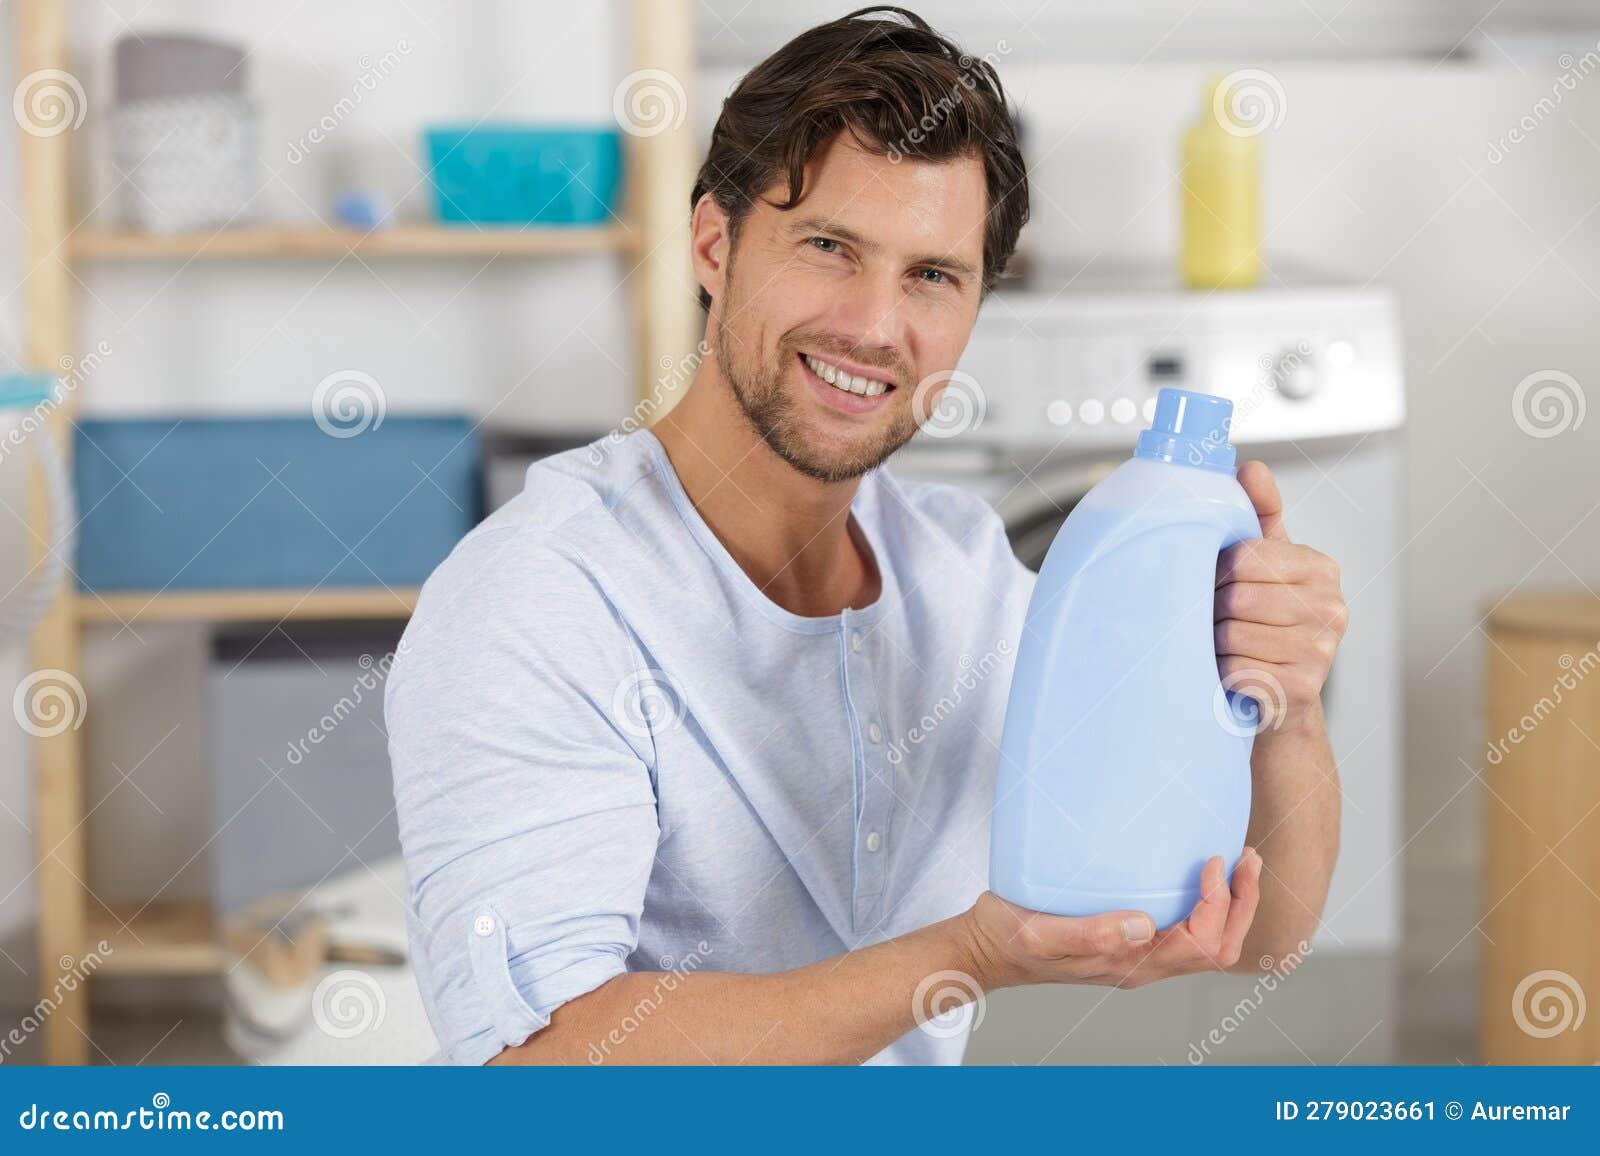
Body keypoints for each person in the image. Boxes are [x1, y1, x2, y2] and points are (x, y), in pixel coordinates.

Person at [385, 6, 1345, 1066]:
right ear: (714, 241)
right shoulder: (542, 594)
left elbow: (1263, 933)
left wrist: (1282, 708)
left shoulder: (966, 572)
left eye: (932, 274)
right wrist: (969, 955)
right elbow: (539, 1068)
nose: (874, 325)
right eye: (829, 247)